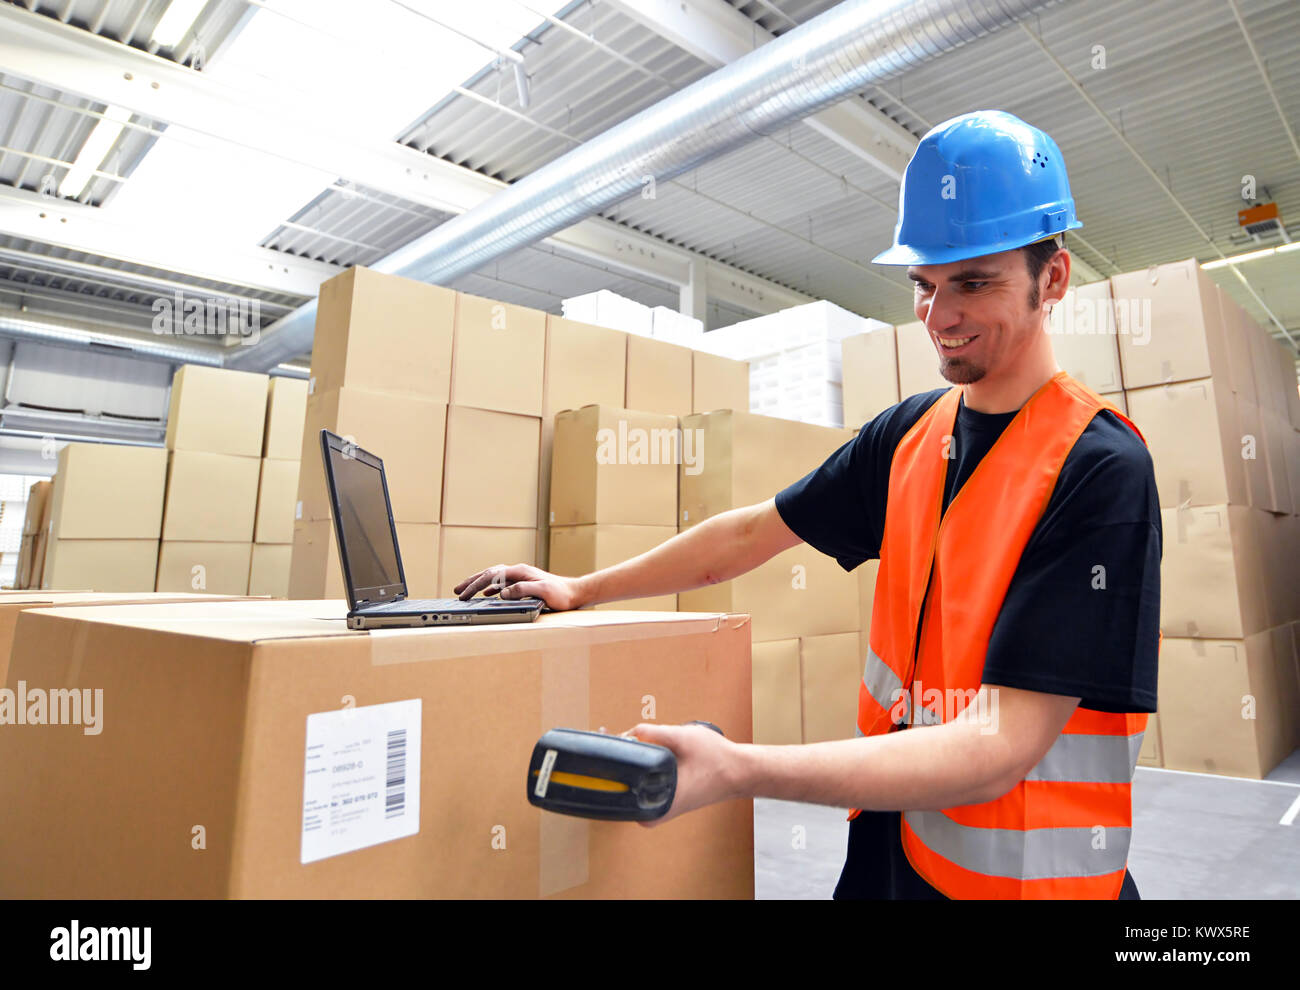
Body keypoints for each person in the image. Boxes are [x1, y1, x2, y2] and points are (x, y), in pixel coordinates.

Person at [454, 110, 1160, 900]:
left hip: (1023, 885)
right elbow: (753, 532)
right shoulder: (908, 437)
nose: (940, 316)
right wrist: (582, 588)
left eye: (974, 282)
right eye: (924, 287)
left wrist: (738, 770)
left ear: (1052, 279)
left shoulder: (1100, 470)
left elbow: (1000, 745)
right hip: (890, 848)